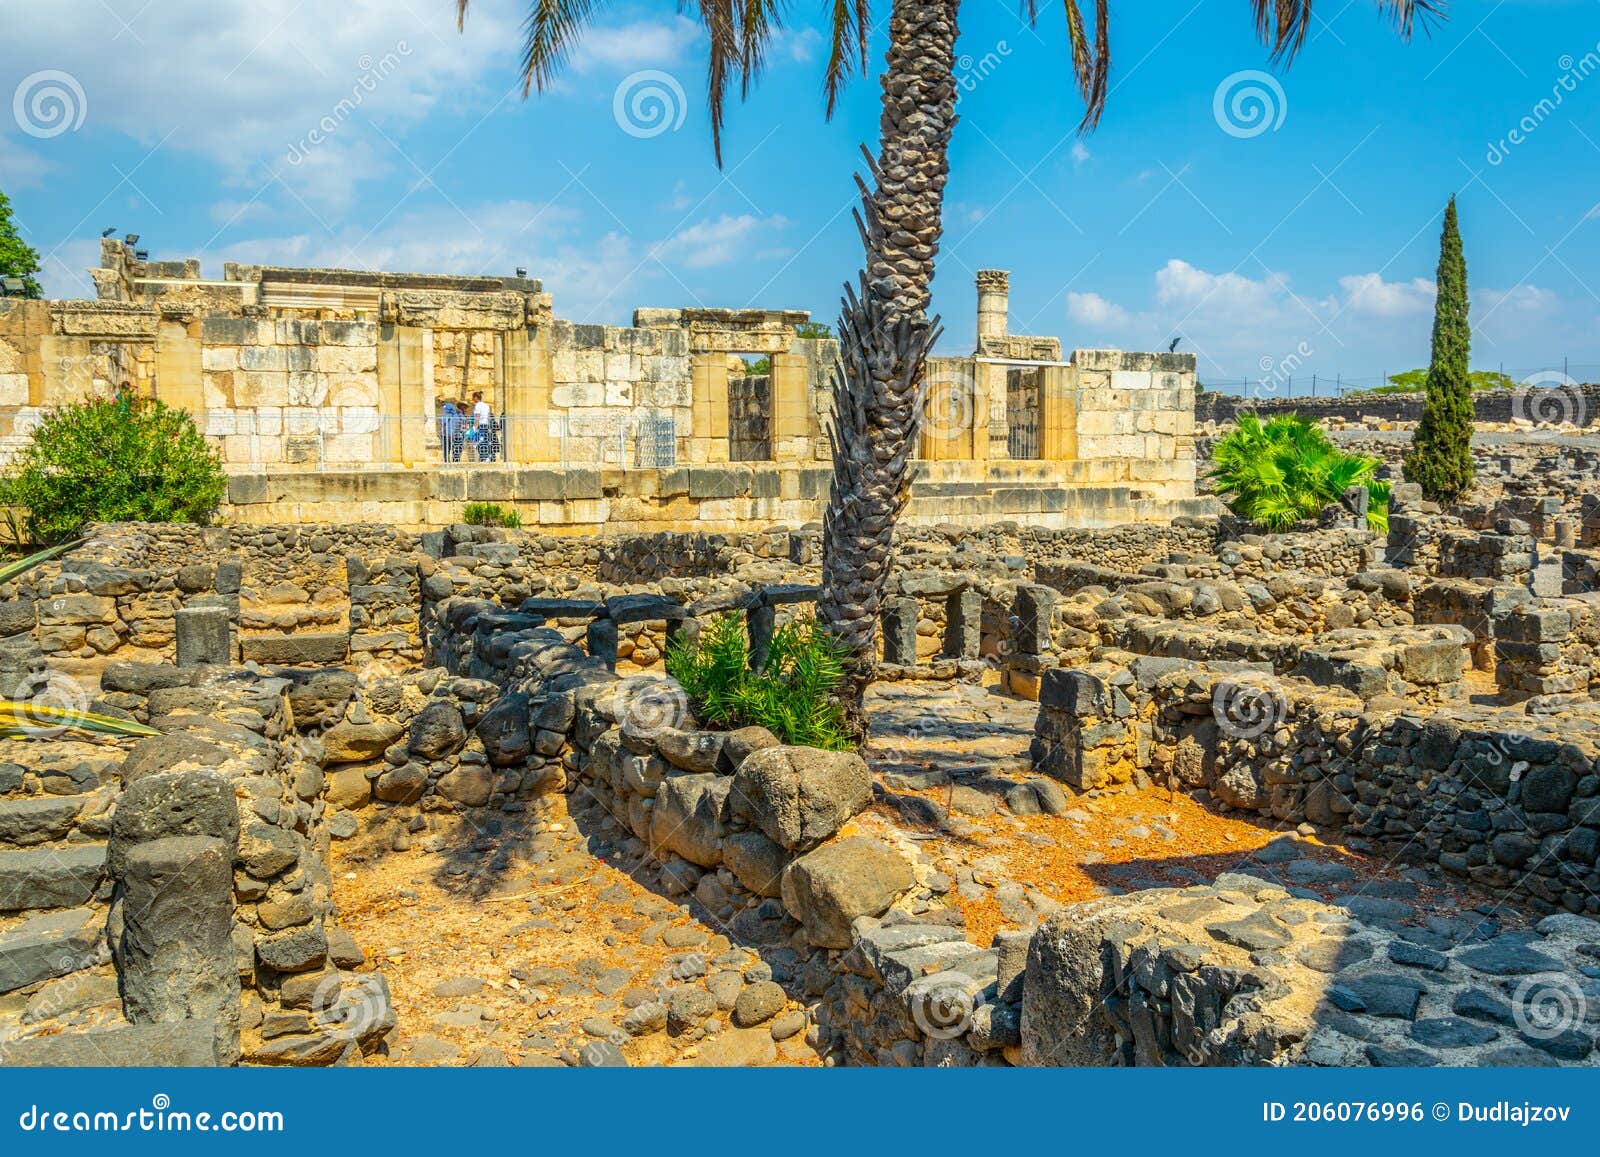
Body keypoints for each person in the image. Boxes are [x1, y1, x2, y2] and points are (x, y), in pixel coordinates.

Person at [470, 391, 496, 462]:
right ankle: (485, 457)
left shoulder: (478, 405)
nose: (472, 399)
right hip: (486, 425)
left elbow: (477, 417)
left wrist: (475, 428)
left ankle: (485, 457)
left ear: (476, 397)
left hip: (480, 425)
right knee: (483, 441)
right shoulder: (486, 405)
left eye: (473, 397)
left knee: (476, 442)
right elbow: (488, 416)